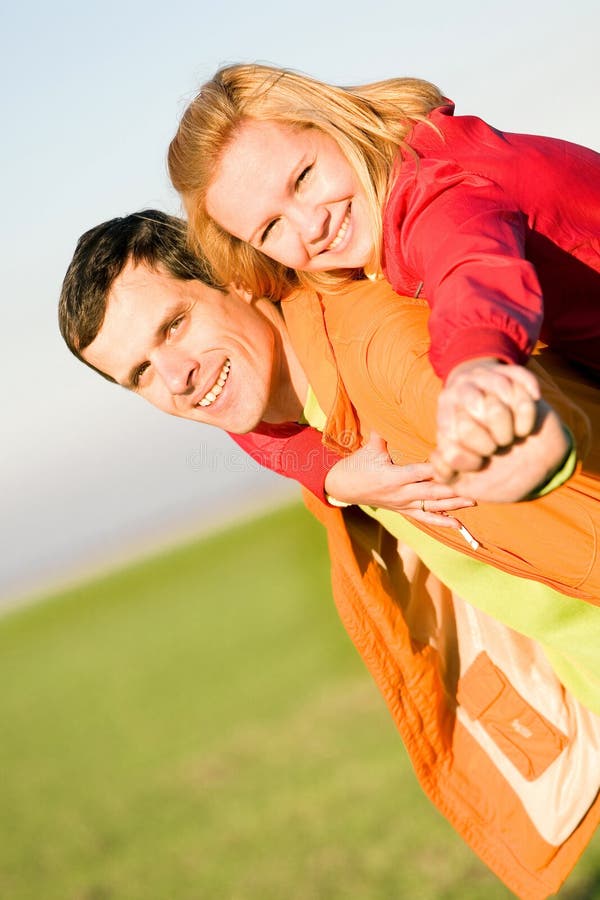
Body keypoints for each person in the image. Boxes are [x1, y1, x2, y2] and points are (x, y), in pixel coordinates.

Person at [59, 210, 600, 899]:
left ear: (236, 279)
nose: (177, 377)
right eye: (141, 373)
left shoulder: (392, 364)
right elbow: (254, 429)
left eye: (175, 325)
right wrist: (329, 471)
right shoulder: (296, 402)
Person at [167, 63, 600, 486]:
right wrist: (327, 473)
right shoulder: (380, 196)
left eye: (303, 179)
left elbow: (469, 264)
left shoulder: (428, 188)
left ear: (333, 124)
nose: (310, 226)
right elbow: (239, 390)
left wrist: (477, 370)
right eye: (271, 227)